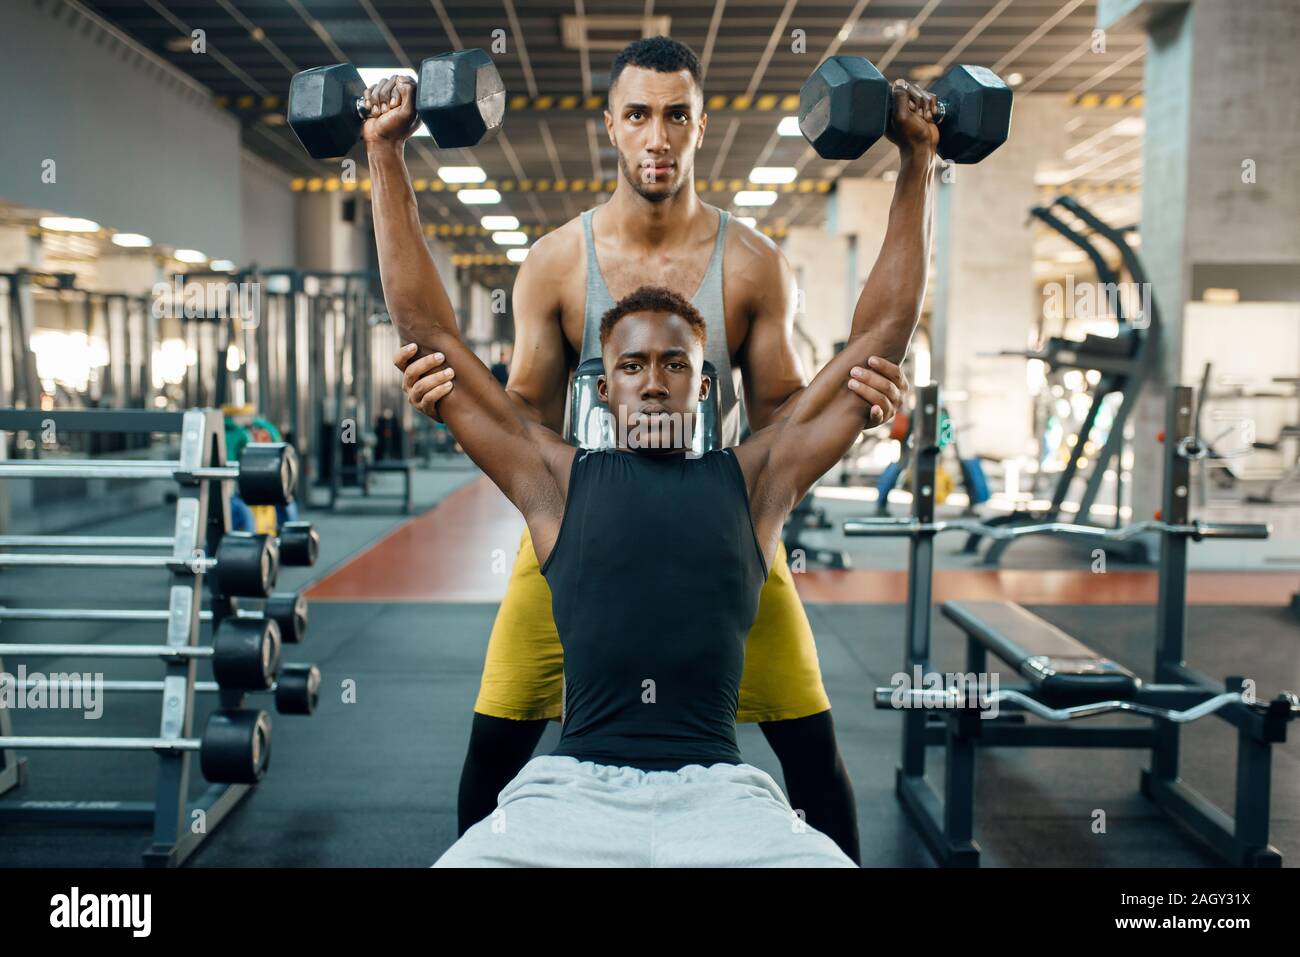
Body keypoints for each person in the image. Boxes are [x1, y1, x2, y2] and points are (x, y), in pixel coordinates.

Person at [369, 50, 939, 865]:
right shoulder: (557, 262)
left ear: (701, 127)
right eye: (638, 114)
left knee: (813, 754)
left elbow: (807, 395)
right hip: (576, 528)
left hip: (728, 526)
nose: (657, 135)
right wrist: (462, 398)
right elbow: (506, 397)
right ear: (611, 126)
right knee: (493, 749)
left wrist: (853, 401)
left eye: (677, 115)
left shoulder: (752, 263)